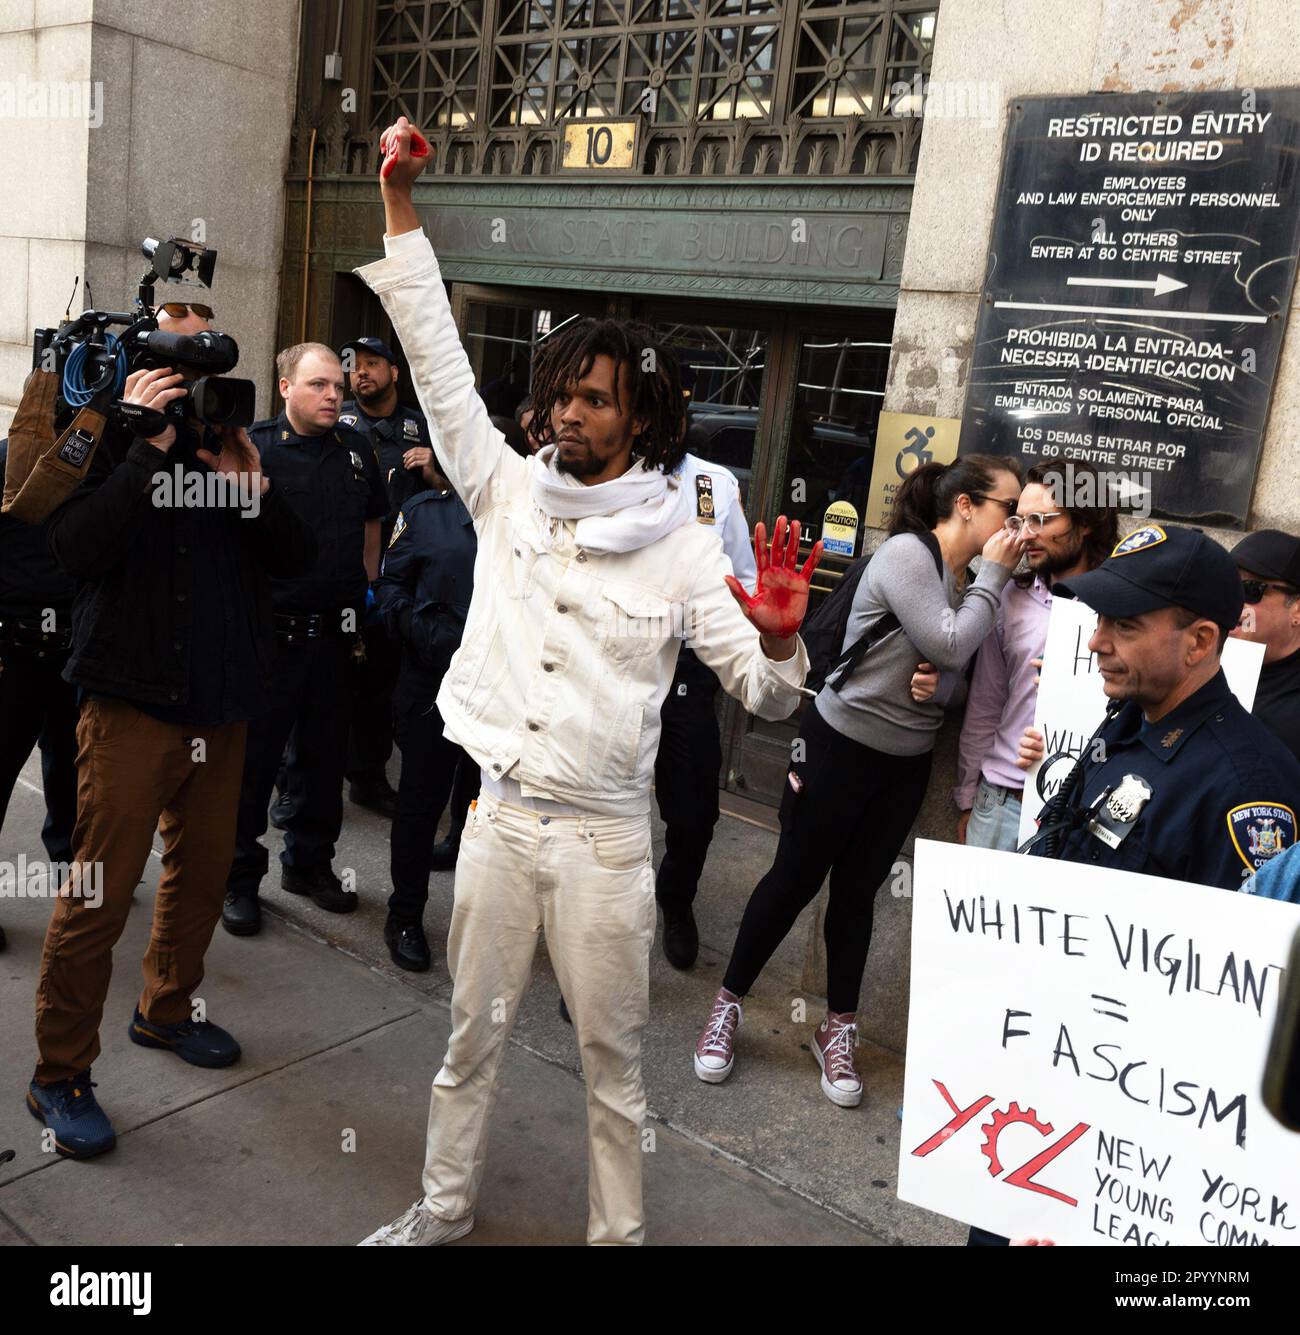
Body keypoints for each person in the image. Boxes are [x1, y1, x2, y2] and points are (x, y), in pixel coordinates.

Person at [355, 117, 819, 1247]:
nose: (570, 410)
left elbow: (762, 700)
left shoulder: (681, 542)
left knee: (613, 1071)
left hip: (609, 847)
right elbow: (436, 358)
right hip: (502, 821)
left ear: (641, 417)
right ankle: (443, 1207)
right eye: (562, 391)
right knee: (470, 1042)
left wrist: (776, 642)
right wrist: (399, 202)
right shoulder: (507, 491)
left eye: (598, 397)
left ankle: (617, 1240)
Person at [29, 307, 315, 1158]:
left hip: (222, 706)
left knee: (200, 881)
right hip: (131, 708)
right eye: (177, 367)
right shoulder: (110, 440)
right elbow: (71, 550)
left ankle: (166, 1008)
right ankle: (59, 1074)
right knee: (96, 898)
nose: (192, 392)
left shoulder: (232, 452)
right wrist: (145, 448)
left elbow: (294, 559)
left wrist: (252, 488)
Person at [694, 454, 1027, 1108]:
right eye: (1006, 509)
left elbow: (953, 672)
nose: (1014, 524)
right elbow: (954, 641)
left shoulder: (963, 579)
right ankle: (727, 1005)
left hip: (901, 767)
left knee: (856, 897)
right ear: (966, 506)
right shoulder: (909, 554)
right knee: (792, 880)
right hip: (837, 748)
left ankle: (837, 1026)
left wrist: (942, 682)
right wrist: (993, 581)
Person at [1023, 523, 1300, 888]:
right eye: (1099, 619)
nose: (1095, 642)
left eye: (1124, 625)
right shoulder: (1127, 722)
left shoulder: (1247, 787)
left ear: (1199, 642)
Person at [221, 344, 388, 936]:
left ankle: (310, 866)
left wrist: (366, 587)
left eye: (338, 387)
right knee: (252, 769)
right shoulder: (255, 447)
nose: (333, 395)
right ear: (286, 386)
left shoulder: (356, 449)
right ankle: (238, 880)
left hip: (337, 640)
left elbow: (373, 521)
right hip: (270, 639)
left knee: (321, 766)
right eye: (319, 385)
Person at [952, 460, 1118, 850]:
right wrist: (967, 797)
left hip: (1083, 812)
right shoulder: (1011, 597)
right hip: (1001, 801)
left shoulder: (1124, 607)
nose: (1027, 535)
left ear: (1085, 520)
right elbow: (986, 701)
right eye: (1021, 521)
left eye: (1041, 520)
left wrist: (1079, 692)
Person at [374, 451, 479, 971]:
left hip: (502, 693)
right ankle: (406, 916)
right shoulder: (423, 512)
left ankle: (485, 927)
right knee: (419, 802)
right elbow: (389, 586)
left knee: (491, 809)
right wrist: (421, 630)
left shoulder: (524, 516)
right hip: (430, 682)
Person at [653, 448, 757, 968]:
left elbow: (746, 579)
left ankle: (675, 900)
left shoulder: (713, 483)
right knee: (599, 802)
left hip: (689, 669)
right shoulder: (600, 469)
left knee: (694, 812)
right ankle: (587, 940)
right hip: (614, 658)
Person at [337, 335, 442, 817]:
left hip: (401, 577)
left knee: (380, 682)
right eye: (355, 365)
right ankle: (297, 779)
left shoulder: (421, 427)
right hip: (342, 570)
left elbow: (456, 494)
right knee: (330, 678)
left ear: (394, 373)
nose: (362, 372)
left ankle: (369, 776)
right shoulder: (335, 422)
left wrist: (434, 470)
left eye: (373, 364)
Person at [0, 436, 79, 955]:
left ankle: (71, 867)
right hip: (12, 646)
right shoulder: (7, 457)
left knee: (72, 763)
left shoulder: (99, 461)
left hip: (77, 645)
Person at [1230, 528, 1300, 762]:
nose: (1231, 602)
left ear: (1297, 610)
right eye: (1228, 588)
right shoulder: (1199, 658)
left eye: (1250, 590)